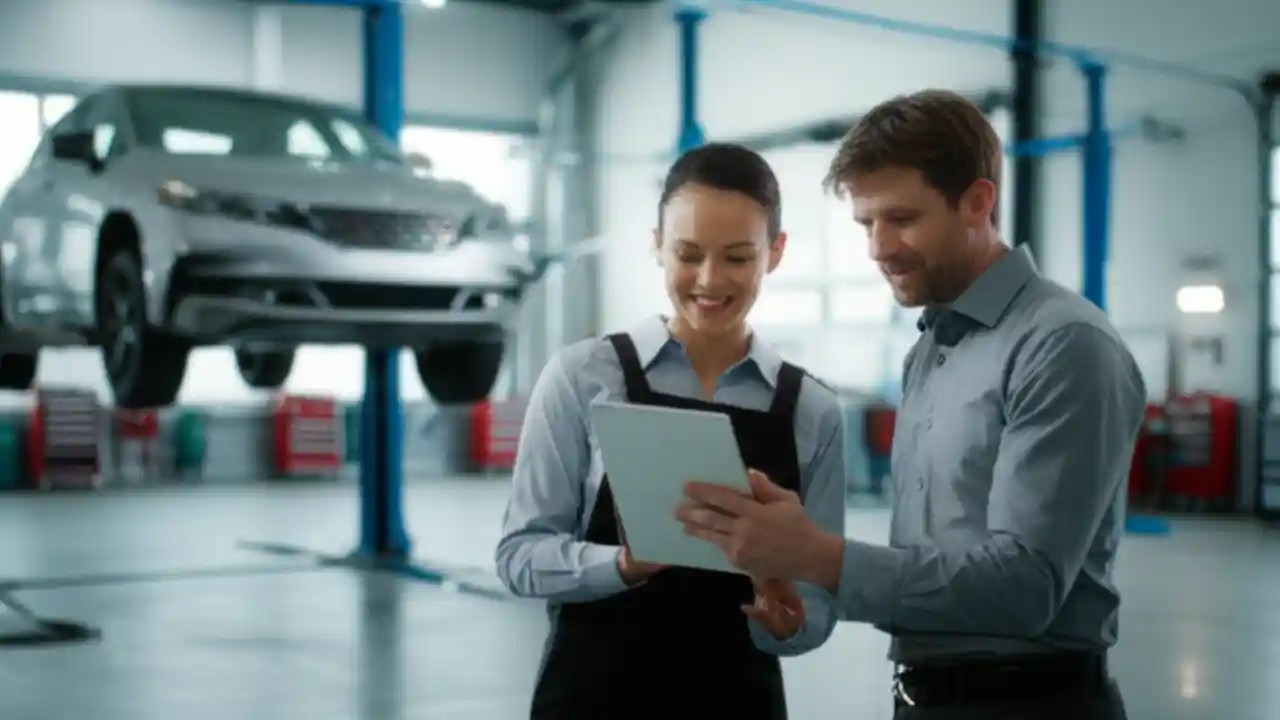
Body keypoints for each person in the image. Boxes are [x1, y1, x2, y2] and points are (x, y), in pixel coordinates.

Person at [676, 90, 1144, 719]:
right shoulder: (931, 347)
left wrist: (818, 555)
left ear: (978, 202)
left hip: (1032, 703)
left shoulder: (1062, 344)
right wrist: (803, 572)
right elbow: (935, 566)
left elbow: (1025, 587)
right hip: (926, 697)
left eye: (902, 218)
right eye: (866, 223)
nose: (879, 247)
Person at [494, 142, 846, 720]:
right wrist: (624, 565)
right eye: (688, 254)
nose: (709, 280)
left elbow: (819, 602)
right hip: (590, 699)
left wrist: (790, 620)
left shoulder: (814, 410)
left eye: (737, 257)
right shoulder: (583, 377)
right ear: (657, 244)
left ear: (775, 253)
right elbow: (520, 556)